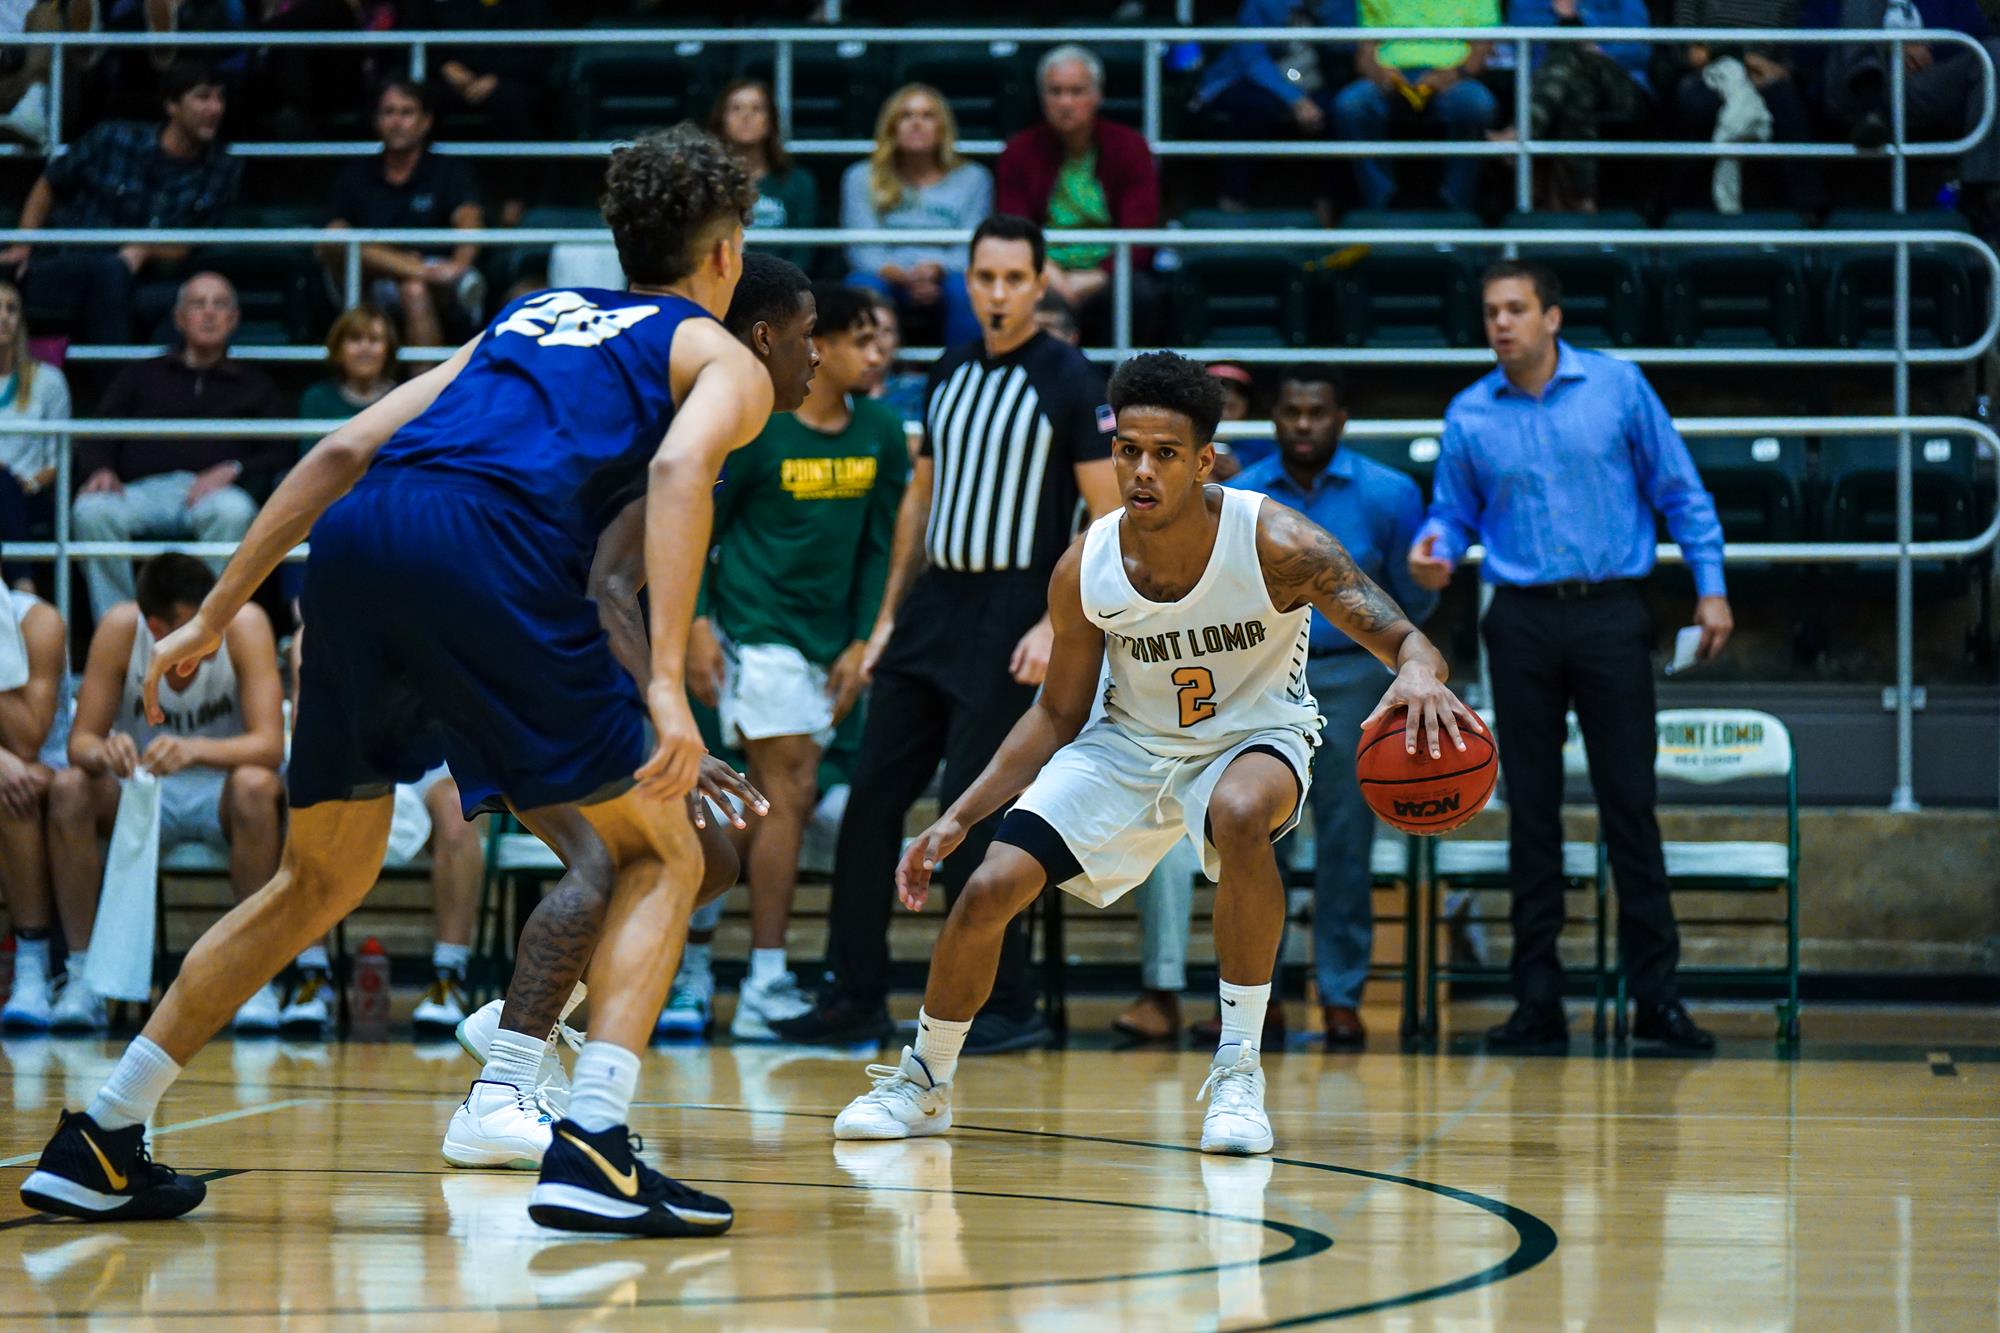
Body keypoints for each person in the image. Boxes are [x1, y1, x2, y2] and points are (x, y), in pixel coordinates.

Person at [17, 124, 769, 1239]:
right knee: (663, 847)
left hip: (361, 546)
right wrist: (665, 685)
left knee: (317, 878)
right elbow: (673, 469)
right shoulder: (719, 355)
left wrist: (221, 612)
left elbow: (336, 453)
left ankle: (102, 1133)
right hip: (490, 551)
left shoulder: (522, 317)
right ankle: (598, 1146)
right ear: (726, 254)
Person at [828, 350, 1475, 1153]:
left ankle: (1238, 1071)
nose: (1141, 470)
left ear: (1203, 460)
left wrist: (1417, 674)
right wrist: (958, 816)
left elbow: (1407, 638)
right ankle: (924, 1081)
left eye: (1164, 454)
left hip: (1254, 736)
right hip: (1128, 745)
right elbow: (1056, 713)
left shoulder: (1276, 540)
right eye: (1127, 450)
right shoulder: (1087, 563)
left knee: (1240, 813)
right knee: (990, 881)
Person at [444, 251, 814, 1156]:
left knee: (706, 858)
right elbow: (608, 584)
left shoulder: (702, 411)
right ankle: (500, 1088)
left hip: (524, 623)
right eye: (808, 339)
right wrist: (663, 721)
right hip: (510, 624)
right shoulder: (687, 412)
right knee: (611, 859)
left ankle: (517, 1014)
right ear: (761, 337)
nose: (818, 360)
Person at [775, 217, 1119, 1052]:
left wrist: (1054, 619)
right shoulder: (949, 368)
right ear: (967, 281)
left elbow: (1105, 518)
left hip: (1014, 613)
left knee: (974, 805)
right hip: (934, 606)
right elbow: (918, 500)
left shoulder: (1071, 377)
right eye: (984, 277)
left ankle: (1005, 1003)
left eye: (1013, 277)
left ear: (1040, 282)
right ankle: (853, 992)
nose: (997, 292)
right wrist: (890, 615)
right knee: (870, 805)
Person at [1409, 260, 1732, 1052]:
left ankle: (1656, 999)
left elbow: (1681, 491)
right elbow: (1453, 512)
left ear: (1553, 317)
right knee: (1532, 814)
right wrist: (1435, 546)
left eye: (1516, 309)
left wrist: (1711, 585)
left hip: (1613, 611)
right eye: (1490, 311)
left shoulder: (1619, 387)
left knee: (1630, 805)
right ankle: (1538, 1001)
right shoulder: (1469, 413)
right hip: (1518, 618)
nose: (1501, 324)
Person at [685, 282, 906, 1041]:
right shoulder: (763, 429)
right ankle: (765, 981)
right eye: (862, 340)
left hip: (832, 645)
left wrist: (864, 638)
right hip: (758, 627)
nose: (878, 355)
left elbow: (884, 545)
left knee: (770, 809)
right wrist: (697, 618)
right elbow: (700, 519)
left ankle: (691, 952)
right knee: (790, 784)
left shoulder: (880, 431)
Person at [44, 554, 285, 1035]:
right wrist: (106, 751)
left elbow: (270, 745)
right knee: (70, 788)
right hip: (141, 790)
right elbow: (80, 744)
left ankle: (256, 981)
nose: (207, 632)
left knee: (258, 786)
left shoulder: (244, 623)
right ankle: (82, 977)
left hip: (220, 792)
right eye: (193, 624)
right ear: (155, 627)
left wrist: (194, 748)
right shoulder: (119, 629)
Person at [286, 625, 480, 1036]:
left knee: (455, 811)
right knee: (314, 800)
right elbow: (309, 726)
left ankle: (450, 976)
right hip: (351, 754)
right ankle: (312, 975)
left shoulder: (443, 613)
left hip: (427, 755)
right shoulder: (319, 626)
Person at [72, 272, 287, 623]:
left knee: (235, 512)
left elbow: (279, 450)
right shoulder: (139, 374)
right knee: (91, 510)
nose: (209, 313)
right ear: (178, 318)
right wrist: (101, 470)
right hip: (140, 491)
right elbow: (99, 431)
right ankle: (123, 628)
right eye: (198, 304)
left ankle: (204, 627)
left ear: (234, 320)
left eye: (220, 305)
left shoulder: (256, 384)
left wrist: (234, 468)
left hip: (212, 497)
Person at [0, 61, 241, 344]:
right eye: (203, 97)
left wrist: (147, 249)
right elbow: (50, 182)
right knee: (109, 270)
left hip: (142, 281)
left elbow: (194, 243)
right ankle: (120, 384)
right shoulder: (113, 137)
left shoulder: (223, 167)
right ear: (172, 106)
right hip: (72, 264)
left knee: (184, 307)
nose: (215, 108)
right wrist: (24, 242)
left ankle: (155, 386)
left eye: (220, 98)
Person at [995, 44, 1162, 340]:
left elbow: (1140, 236)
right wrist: (1048, 272)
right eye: (1055, 92)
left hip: (1109, 273)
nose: (1065, 102)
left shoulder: (1131, 148)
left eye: (1076, 91)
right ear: (1041, 97)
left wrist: (1097, 276)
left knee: (1142, 293)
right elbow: (1015, 231)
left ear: (1098, 95)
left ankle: (1123, 384)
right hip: (1043, 272)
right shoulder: (1018, 152)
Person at [325, 78, 485, 349]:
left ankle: (423, 390)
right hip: (371, 279)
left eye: (406, 112)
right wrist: (412, 268)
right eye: (389, 112)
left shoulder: (449, 170)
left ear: (425, 121)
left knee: (413, 288)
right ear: (377, 121)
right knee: (339, 242)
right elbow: (332, 236)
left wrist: (458, 266)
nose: (397, 121)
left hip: (440, 275)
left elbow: (469, 220)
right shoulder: (354, 175)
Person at [1814, 0, 1999, 225]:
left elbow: (1976, 41)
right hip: (1850, 91)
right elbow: (1810, 50)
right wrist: (1890, 46)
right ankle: (1869, 100)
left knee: (1993, 54)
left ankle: (1978, 196)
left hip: (1917, 87)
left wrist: (1928, 46)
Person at [841, 84, 993, 348]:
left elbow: (973, 248)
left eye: (927, 116)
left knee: (969, 288)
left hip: (948, 275)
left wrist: (937, 269)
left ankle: (962, 378)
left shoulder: (973, 178)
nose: (916, 124)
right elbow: (862, 250)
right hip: (885, 275)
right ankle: (870, 385)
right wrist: (901, 274)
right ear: (891, 126)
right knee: (861, 287)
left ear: (942, 127)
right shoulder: (860, 177)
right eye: (906, 116)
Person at [1331, 0, 1500, 212]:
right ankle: (1380, 204)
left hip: (1453, 78)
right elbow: (1365, 50)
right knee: (1351, 104)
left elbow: (1483, 47)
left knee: (1477, 105)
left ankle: (1457, 206)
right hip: (1388, 77)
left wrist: (1450, 76)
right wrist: (1381, 75)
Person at [1662, 0, 1826, 214]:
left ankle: (1811, 209)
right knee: (1693, 102)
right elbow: (1690, 53)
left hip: (1762, 76)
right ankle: (1666, 206)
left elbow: (1787, 59)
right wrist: (1747, 59)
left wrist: (1770, 71)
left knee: (1787, 102)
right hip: (1712, 73)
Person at [1190, 0, 1354, 213]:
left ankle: (1328, 204)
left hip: (1309, 79)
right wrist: (1295, 100)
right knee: (1254, 107)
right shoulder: (1260, 3)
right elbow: (1253, 60)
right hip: (1245, 78)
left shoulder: (1340, 4)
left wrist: (1323, 11)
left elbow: (1348, 46)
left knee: (1337, 107)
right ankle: (1234, 197)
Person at [1491, 0, 1653, 213]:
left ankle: (1523, 131)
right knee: (1575, 82)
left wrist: (1590, 33)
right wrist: (1564, 23)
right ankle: (1582, 200)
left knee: (1574, 57)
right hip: (1554, 84)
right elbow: (1520, 46)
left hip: (1617, 82)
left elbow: (1640, 49)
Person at [0, 583, 63, 1028]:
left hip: (42, 769)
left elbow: (26, 739)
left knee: (11, 792)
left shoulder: (37, 622)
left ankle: (31, 964)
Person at [0, 279, 70, 591]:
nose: (3, 317)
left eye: (11, 309)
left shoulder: (48, 380)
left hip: (30, 492)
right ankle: (22, 592)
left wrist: (26, 483)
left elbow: (60, 460)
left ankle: (23, 588)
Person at [710, 78, 819, 272]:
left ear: (770, 121)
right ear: (722, 119)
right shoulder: (705, 180)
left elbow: (803, 251)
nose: (746, 116)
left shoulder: (799, 181)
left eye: (756, 109)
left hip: (782, 286)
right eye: (736, 108)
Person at [299, 305, 400, 423]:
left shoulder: (405, 399)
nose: (365, 348)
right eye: (355, 339)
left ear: (389, 349)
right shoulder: (317, 399)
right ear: (338, 349)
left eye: (374, 339)